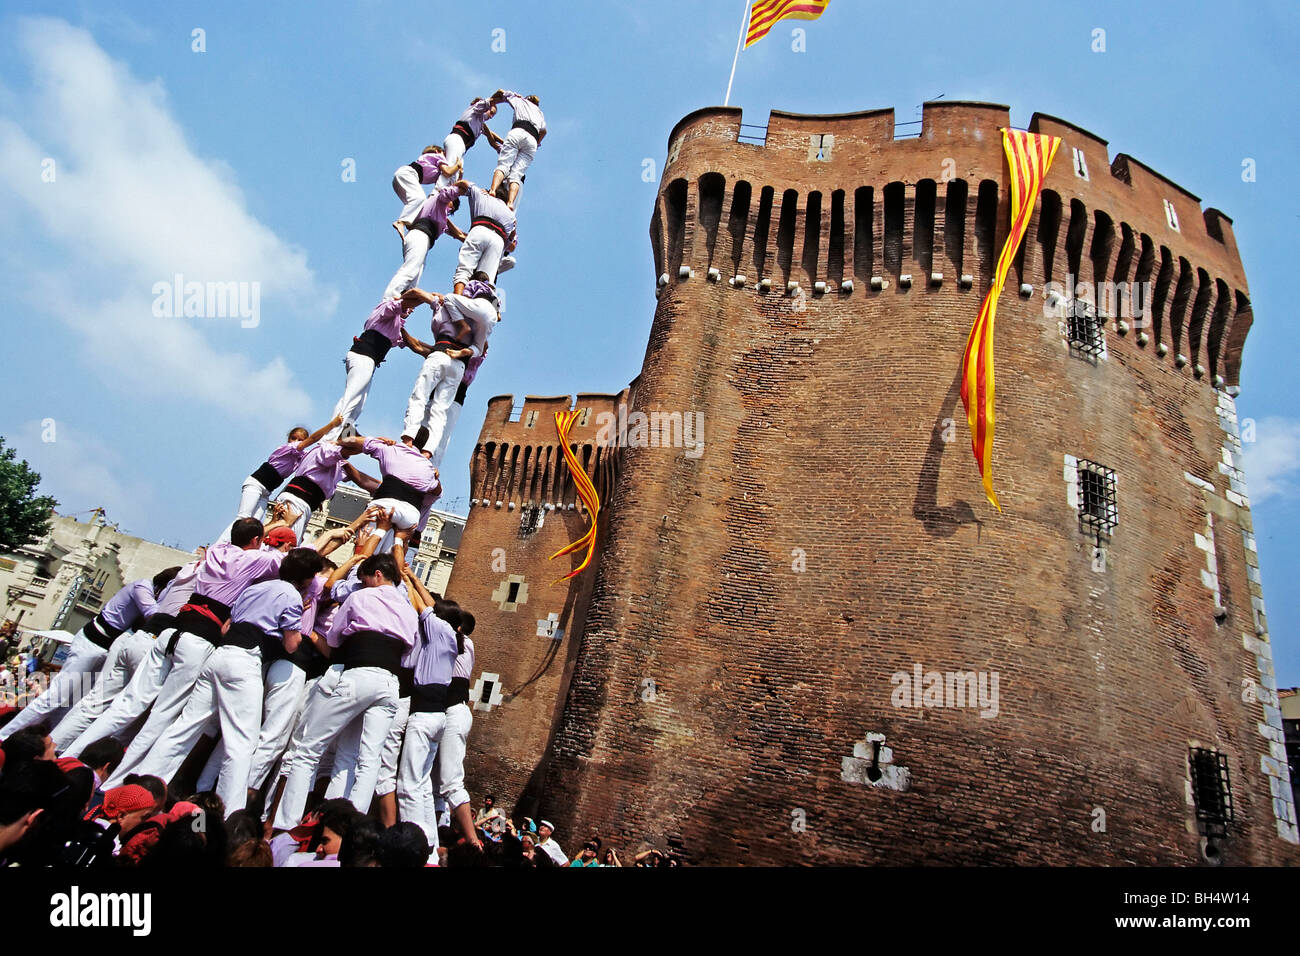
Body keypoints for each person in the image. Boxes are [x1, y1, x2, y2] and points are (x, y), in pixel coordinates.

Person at [124, 549, 325, 813]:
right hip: (245, 661)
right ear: (308, 579)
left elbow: (226, 627)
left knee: (185, 726)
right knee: (242, 743)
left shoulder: (257, 588)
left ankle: (141, 792)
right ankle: (228, 814)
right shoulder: (291, 597)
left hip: (219, 655)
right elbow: (291, 645)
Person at [102, 520, 298, 788]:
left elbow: (244, 538)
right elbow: (294, 562)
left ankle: (86, 762)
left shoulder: (217, 551)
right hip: (202, 642)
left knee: (130, 706)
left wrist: (278, 522)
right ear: (256, 541)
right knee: (165, 718)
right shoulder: (256, 563)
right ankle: (121, 783)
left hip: (173, 633)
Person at [271, 553, 418, 830]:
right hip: (389, 685)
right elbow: (409, 655)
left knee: (308, 750)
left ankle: (285, 826)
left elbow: (336, 636)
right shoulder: (410, 609)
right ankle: (345, 830)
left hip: (357, 673)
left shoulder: (361, 597)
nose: (363, 584)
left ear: (376, 575)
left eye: (364, 580)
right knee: (365, 759)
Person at [1, 574, 164, 741]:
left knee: (72, 704)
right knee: (55, 697)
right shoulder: (143, 586)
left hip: (104, 650)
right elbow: (154, 614)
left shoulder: (151, 593)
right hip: (91, 644)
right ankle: (4, 736)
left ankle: (47, 741)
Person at [48, 566, 183, 752]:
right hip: (148, 645)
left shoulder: (168, 588)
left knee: (95, 703)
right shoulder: (177, 589)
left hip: (130, 639)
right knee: (130, 715)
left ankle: (55, 746)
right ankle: (77, 755)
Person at [394, 561, 460, 847]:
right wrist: (412, 576)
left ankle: (413, 847)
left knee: (408, 782)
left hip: (423, 713)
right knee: (421, 782)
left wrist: (406, 579)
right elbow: (430, 605)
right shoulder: (451, 637)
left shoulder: (440, 630)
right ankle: (430, 844)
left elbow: (423, 606)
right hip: (437, 713)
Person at [325, 290, 440, 441]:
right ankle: (330, 438)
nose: (411, 310)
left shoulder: (396, 326)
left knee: (358, 403)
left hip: (368, 362)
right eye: (411, 305)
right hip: (362, 356)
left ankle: (345, 438)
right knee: (351, 398)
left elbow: (415, 345)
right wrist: (429, 299)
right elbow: (404, 303)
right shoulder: (387, 308)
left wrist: (442, 349)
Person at [214, 418, 340, 543]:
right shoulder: (286, 449)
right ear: (288, 439)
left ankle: (241, 547)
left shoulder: (301, 457)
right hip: (256, 484)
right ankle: (220, 546)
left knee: (256, 525)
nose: (296, 441)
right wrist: (332, 425)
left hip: (266, 492)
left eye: (300, 440)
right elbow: (312, 440)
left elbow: (315, 465)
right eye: (293, 438)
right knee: (243, 517)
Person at [437, 609, 479, 850]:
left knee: (451, 781)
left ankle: (474, 845)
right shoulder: (461, 643)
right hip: (452, 711)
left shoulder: (462, 643)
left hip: (454, 711)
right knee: (438, 782)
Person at [382, 187, 467, 302]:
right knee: (411, 269)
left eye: (453, 209)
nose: (451, 209)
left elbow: (459, 234)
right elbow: (447, 192)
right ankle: (389, 298)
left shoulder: (441, 219)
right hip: (419, 234)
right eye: (452, 204)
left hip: (424, 240)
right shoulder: (439, 201)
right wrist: (463, 187)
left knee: (414, 277)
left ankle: (401, 304)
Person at [451, 181, 517, 291]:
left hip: (480, 229)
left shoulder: (482, 195)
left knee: (465, 269)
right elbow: (511, 245)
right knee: (486, 279)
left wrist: (450, 190)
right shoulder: (511, 215)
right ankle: (480, 301)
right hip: (498, 240)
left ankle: (457, 298)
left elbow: (463, 183)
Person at [392, 145, 462, 236]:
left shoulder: (434, 167)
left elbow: (447, 185)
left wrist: (459, 176)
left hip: (400, 178)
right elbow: (448, 172)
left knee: (417, 205)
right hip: (408, 174)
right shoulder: (438, 156)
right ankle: (401, 222)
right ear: (438, 151)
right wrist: (457, 165)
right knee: (420, 199)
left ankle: (410, 223)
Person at [438, 98, 504, 189]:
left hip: (461, 147)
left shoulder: (480, 124)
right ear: (486, 108)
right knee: (448, 170)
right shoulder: (476, 110)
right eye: (491, 113)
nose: (491, 116)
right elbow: (487, 103)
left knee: (454, 177)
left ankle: (445, 198)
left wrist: (505, 144)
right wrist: (501, 97)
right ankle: (436, 192)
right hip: (457, 140)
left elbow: (491, 135)